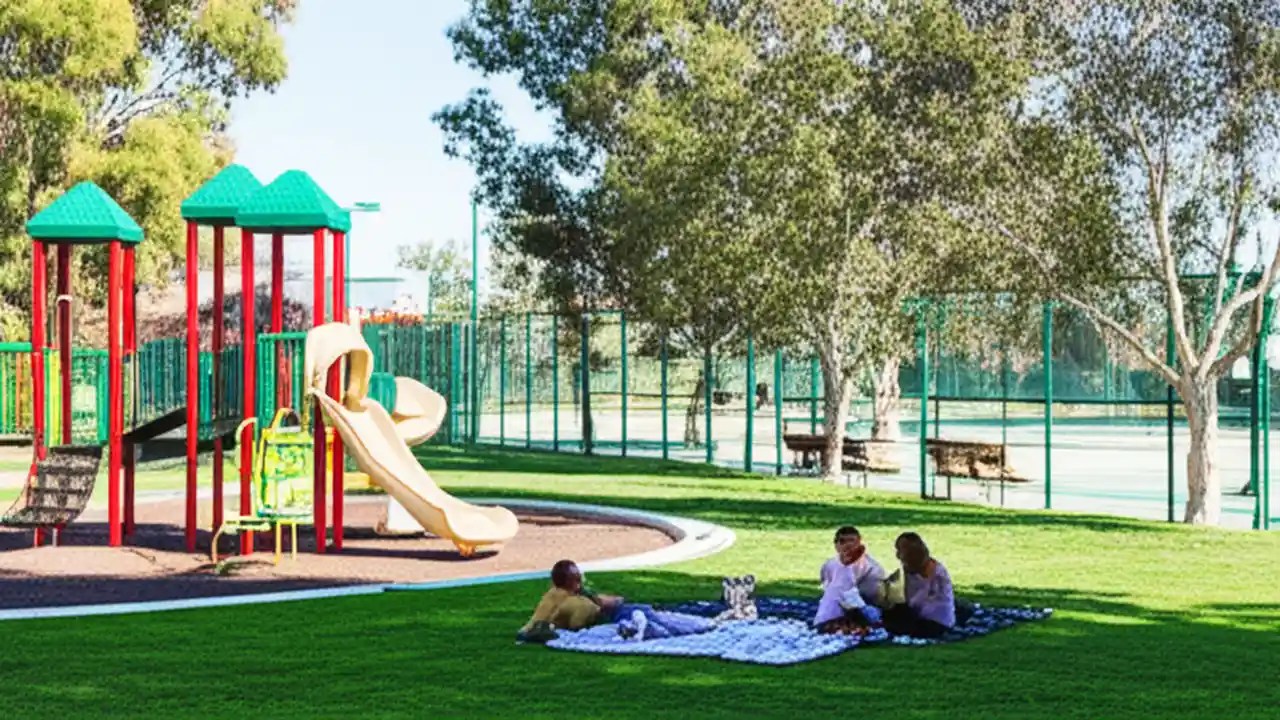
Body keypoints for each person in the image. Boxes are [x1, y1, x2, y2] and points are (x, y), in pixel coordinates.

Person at [517, 560, 714, 643]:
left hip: (618, 612)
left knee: (667, 615)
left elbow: (533, 624)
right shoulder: (576, 602)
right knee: (667, 617)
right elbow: (586, 617)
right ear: (574, 581)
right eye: (578, 578)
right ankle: (712, 614)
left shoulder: (555, 596)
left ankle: (709, 613)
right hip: (622, 613)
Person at [880, 532, 955, 639]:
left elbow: (918, 602)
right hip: (920, 615)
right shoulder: (910, 570)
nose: (898, 555)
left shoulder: (933, 572)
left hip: (936, 622)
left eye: (900, 550)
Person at [814, 526, 887, 633]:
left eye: (852, 541)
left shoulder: (872, 568)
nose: (848, 545)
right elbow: (828, 586)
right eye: (842, 541)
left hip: (864, 608)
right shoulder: (829, 565)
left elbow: (871, 597)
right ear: (836, 545)